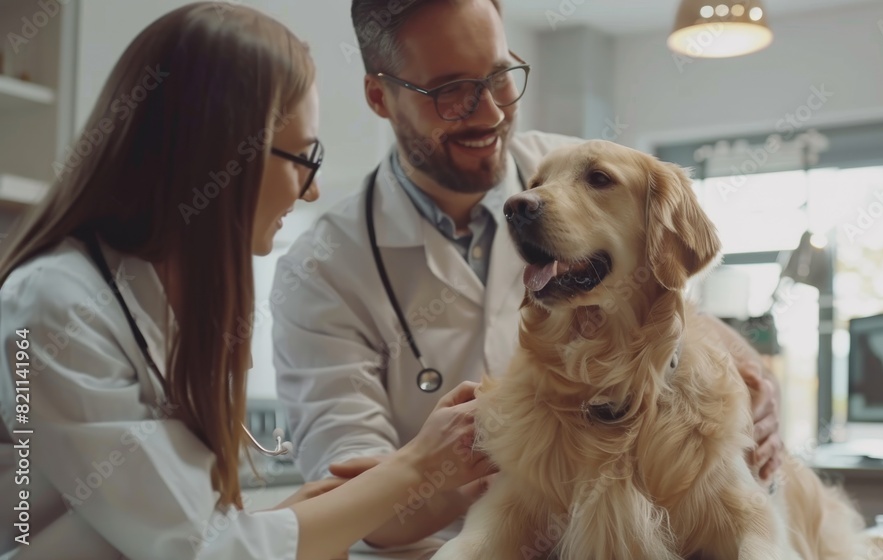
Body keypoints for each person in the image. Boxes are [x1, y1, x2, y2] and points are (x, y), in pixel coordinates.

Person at [272, 0, 784, 551]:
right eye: (449, 90)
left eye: (499, 76)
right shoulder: (320, 272)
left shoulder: (566, 171)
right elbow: (353, 507)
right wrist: (497, 465)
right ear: (380, 95)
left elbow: (665, 295)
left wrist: (754, 378)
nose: (489, 112)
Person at [0, 4, 491, 559]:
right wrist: (418, 465)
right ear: (223, 154)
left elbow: (178, 533)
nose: (310, 191)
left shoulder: (151, 305)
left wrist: (291, 519)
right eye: (304, 158)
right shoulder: (52, 307)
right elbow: (202, 550)